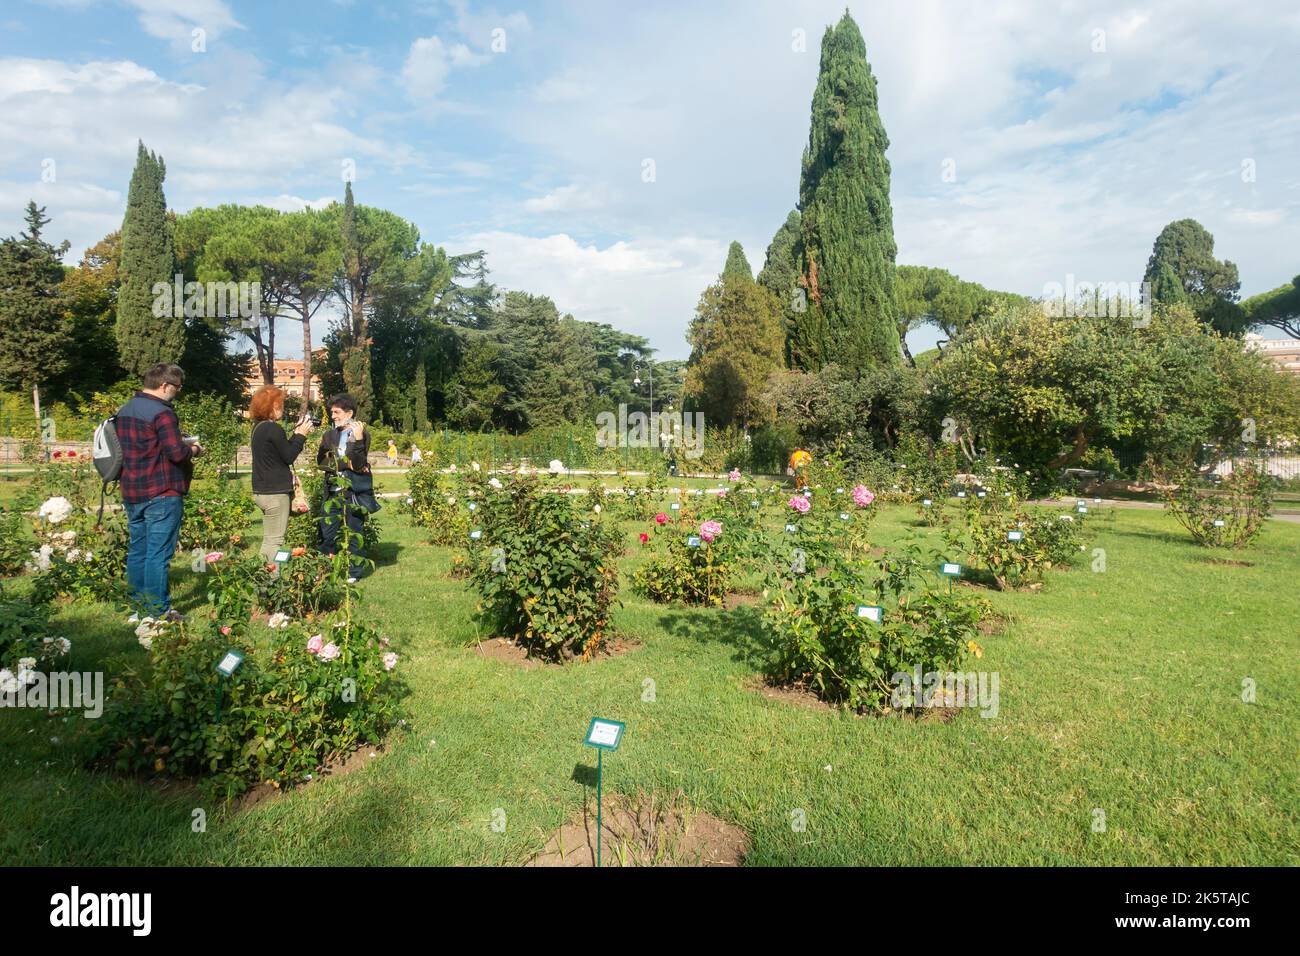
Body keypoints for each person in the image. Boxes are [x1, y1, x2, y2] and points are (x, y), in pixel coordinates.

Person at [116, 363, 204, 619]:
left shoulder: (125, 409)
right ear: (165, 385)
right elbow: (176, 453)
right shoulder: (162, 413)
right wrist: (195, 449)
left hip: (133, 490)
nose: (177, 392)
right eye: (177, 388)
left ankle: (137, 608)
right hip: (162, 491)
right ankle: (158, 611)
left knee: (138, 551)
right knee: (158, 554)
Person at [316, 393, 378, 582]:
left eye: (336, 412)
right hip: (333, 492)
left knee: (354, 532)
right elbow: (321, 462)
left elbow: (358, 464)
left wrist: (358, 441)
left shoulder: (361, 434)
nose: (333, 416)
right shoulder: (329, 435)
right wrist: (345, 463)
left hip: (353, 493)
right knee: (326, 532)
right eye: (332, 412)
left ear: (349, 413)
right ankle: (325, 569)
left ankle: (354, 572)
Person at [249, 386, 314, 561]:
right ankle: (271, 581)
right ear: (273, 406)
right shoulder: (273, 429)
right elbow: (289, 456)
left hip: (262, 491)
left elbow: (281, 451)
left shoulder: (258, 428)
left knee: (269, 539)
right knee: (275, 541)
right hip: (275, 494)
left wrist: (295, 434)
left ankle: (262, 577)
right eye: (280, 405)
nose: (282, 409)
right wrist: (301, 436)